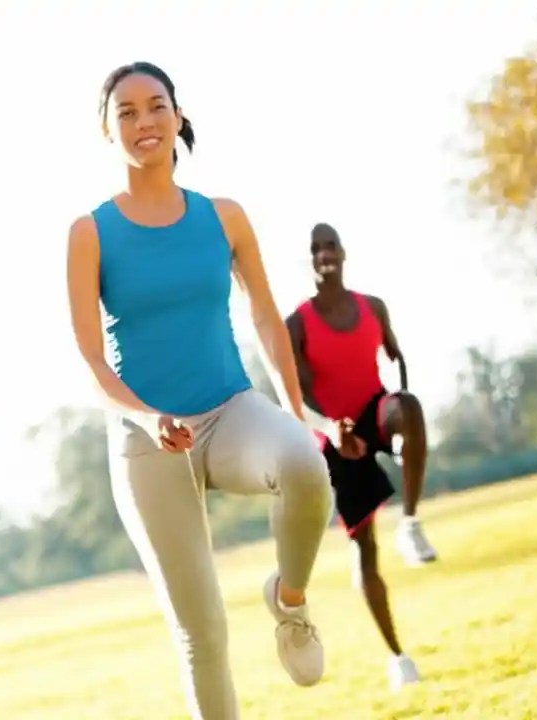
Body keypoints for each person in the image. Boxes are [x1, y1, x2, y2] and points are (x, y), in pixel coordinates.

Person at [65, 62, 333, 719]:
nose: (143, 121)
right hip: (148, 439)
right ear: (106, 130)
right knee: (203, 633)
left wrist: (294, 413)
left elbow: (267, 318)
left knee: (304, 465)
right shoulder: (90, 232)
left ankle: (290, 603)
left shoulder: (225, 217)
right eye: (125, 112)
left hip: (230, 410)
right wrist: (147, 417)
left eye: (156, 106)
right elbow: (91, 360)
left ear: (178, 117)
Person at [286, 223, 435, 689]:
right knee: (365, 549)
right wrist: (330, 428)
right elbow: (298, 397)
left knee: (406, 407)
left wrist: (402, 399)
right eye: (315, 249)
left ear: (343, 253)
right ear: (308, 261)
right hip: (336, 435)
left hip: (375, 411)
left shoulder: (373, 307)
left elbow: (395, 357)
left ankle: (410, 525)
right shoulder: (297, 324)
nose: (323, 254)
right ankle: (398, 658)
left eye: (330, 245)